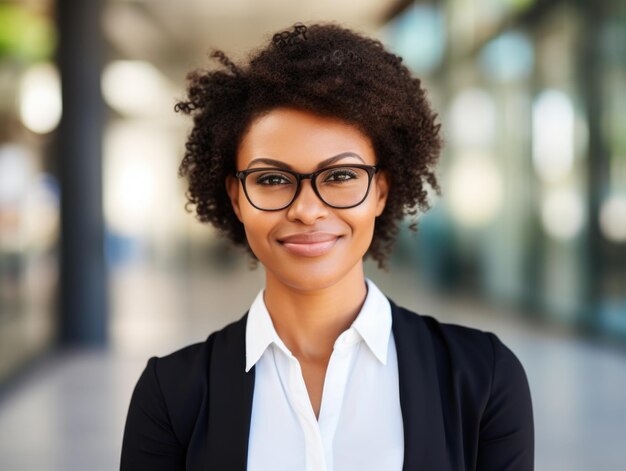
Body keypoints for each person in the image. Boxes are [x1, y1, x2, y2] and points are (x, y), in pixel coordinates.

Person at [120, 23, 534, 471]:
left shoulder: (484, 378)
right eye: (272, 180)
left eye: (339, 177)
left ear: (380, 192)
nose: (307, 210)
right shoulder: (170, 395)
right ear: (237, 198)